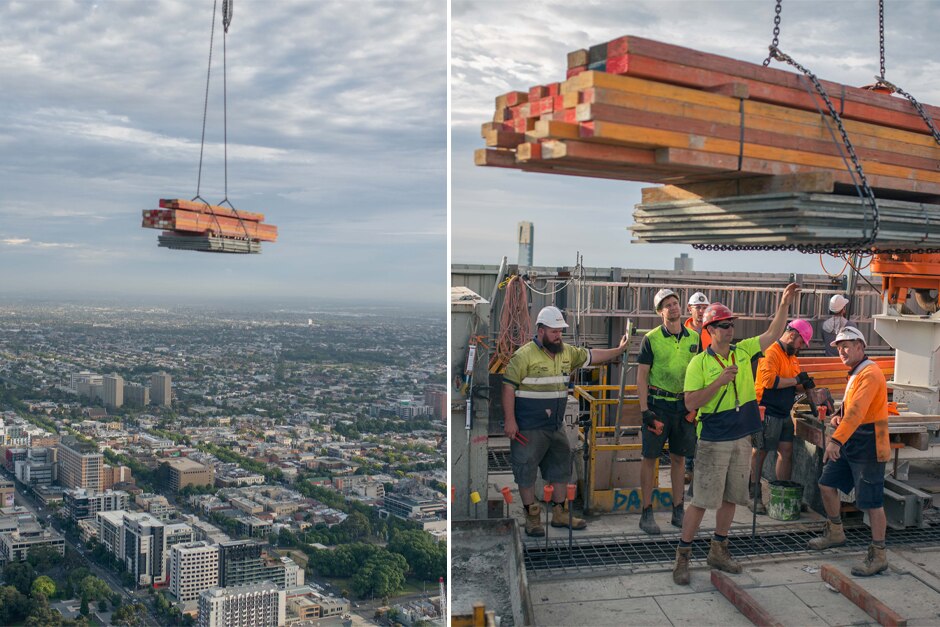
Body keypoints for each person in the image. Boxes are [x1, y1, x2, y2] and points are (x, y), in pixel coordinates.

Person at [672, 283, 799, 585]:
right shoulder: (699, 364)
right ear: (711, 330)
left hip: (742, 438)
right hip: (714, 439)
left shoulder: (742, 352)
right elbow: (690, 403)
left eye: (731, 325)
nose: (730, 330)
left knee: (732, 497)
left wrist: (784, 305)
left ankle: (719, 549)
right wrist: (719, 382)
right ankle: (682, 557)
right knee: (702, 500)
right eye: (724, 326)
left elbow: (771, 333)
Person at [503, 305, 629, 536]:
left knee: (562, 467)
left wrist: (619, 350)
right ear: (540, 331)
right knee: (526, 469)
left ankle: (560, 514)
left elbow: (592, 356)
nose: (559, 335)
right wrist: (510, 421)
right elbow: (508, 387)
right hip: (529, 427)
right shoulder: (523, 356)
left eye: (561, 331)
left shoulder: (567, 353)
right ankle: (532, 518)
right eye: (554, 331)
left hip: (555, 426)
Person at [807, 326, 890, 576]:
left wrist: (835, 440)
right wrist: (838, 417)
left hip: (869, 443)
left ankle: (879, 554)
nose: (842, 350)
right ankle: (835, 532)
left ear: (860, 347)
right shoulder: (856, 372)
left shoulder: (871, 373)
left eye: (847, 345)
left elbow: (858, 413)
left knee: (871, 502)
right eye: (839, 346)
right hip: (852, 439)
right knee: (826, 483)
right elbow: (851, 408)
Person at [636, 288, 700, 534]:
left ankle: (677, 510)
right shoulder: (651, 339)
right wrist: (645, 411)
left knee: (678, 459)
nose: (673, 307)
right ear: (660, 312)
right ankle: (646, 512)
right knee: (649, 458)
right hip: (658, 406)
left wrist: (694, 407)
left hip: (683, 406)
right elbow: (641, 376)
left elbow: (699, 373)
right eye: (667, 305)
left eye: (675, 303)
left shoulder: (694, 338)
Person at [749, 319, 815, 515]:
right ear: (793, 335)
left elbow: (794, 383)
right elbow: (769, 381)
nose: (801, 347)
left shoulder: (791, 356)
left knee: (785, 452)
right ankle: (754, 495)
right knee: (759, 451)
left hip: (784, 410)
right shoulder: (770, 352)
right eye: (801, 342)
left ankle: (783, 492)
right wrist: (796, 380)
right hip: (765, 410)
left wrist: (805, 385)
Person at [683, 291, 711, 488]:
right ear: (689, 309)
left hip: (709, 388)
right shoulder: (682, 332)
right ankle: (687, 467)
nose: (701, 311)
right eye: (698, 307)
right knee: (687, 429)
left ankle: (700, 469)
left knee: (703, 429)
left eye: (704, 308)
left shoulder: (712, 330)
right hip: (688, 387)